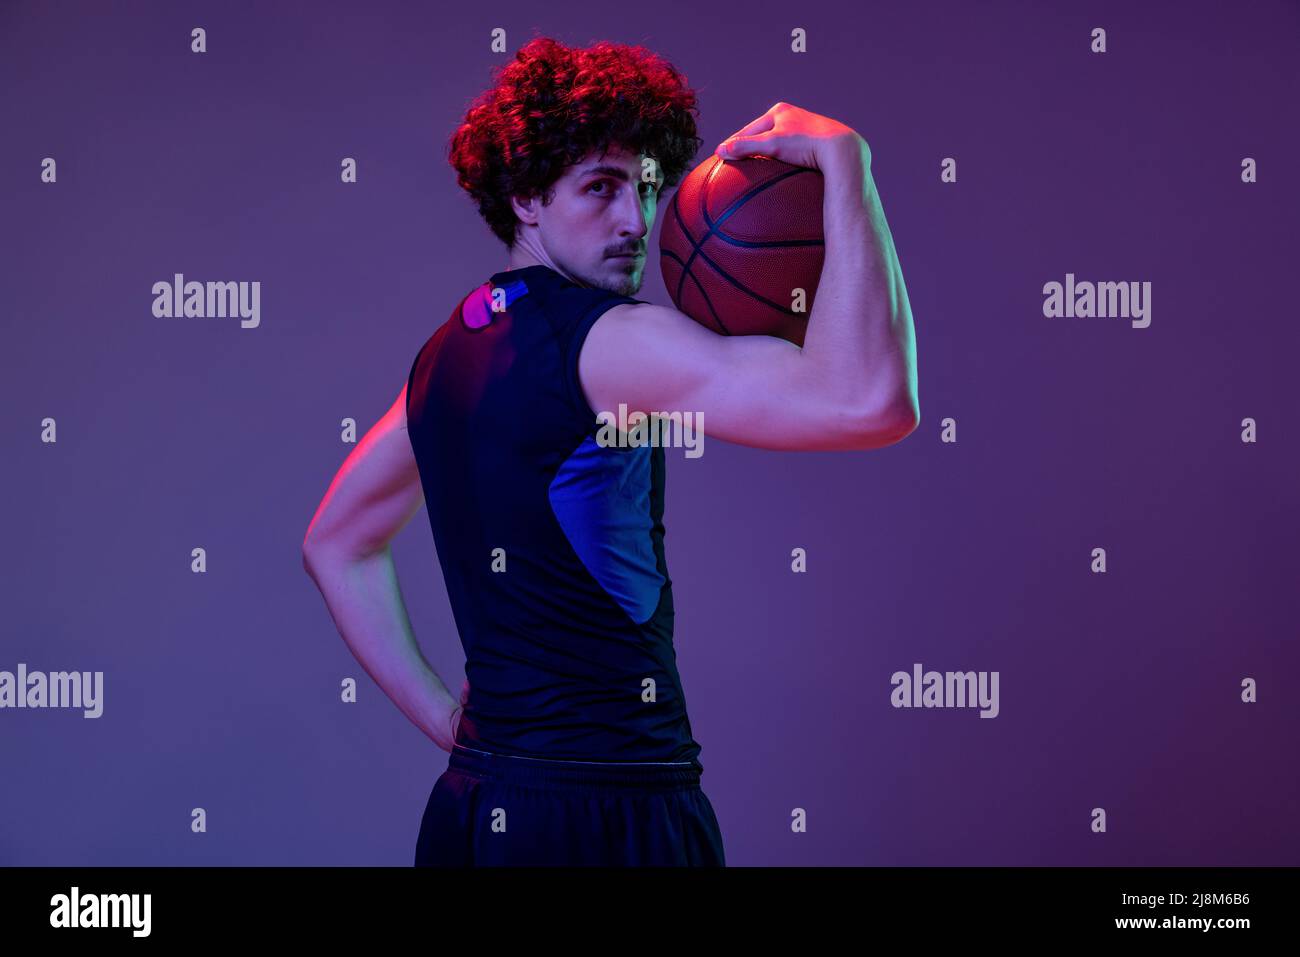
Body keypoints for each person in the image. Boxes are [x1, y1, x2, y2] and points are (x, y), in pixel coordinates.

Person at [302, 37, 918, 867]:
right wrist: (848, 170)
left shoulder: (444, 354)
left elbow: (335, 542)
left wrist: (454, 724)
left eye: (646, 187)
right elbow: (870, 400)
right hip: (611, 815)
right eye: (601, 187)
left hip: (477, 811)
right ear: (525, 196)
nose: (635, 221)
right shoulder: (614, 341)